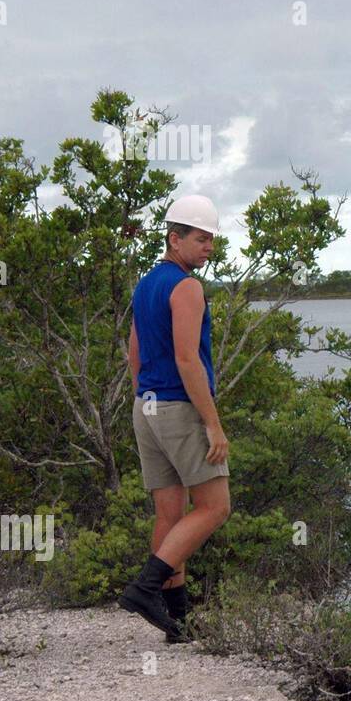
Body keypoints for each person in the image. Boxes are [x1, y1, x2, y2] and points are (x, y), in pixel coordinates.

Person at [121, 195, 231, 643]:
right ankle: (145, 590)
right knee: (215, 507)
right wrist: (213, 423)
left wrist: (145, 399)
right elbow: (188, 360)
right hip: (178, 408)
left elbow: (135, 352)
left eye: (211, 240)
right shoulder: (187, 287)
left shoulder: (146, 284)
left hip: (146, 408)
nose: (208, 248)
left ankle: (177, 622)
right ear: (175, 238)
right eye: (201, 239)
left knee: (170, 515)